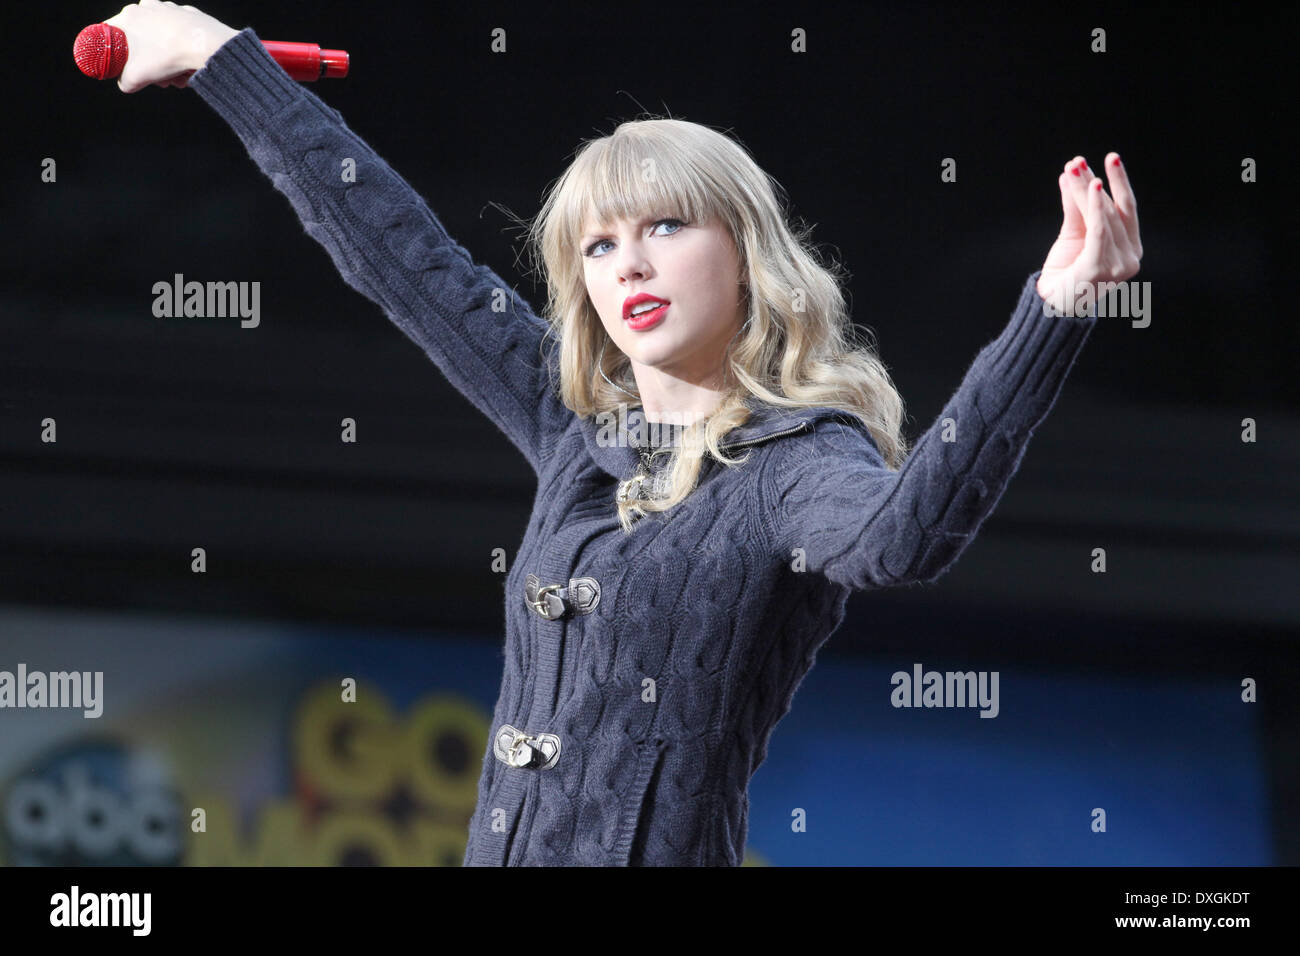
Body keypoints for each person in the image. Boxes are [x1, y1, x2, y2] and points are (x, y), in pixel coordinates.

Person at [101, 1, 1142, 865]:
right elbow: (399, 253)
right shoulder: (576, 427)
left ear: (746, 254)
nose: (629, 263)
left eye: (664, 226)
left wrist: (1050, 313)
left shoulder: (794, 463)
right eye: (599, 245)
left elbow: (904, 537)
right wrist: (221, 57)